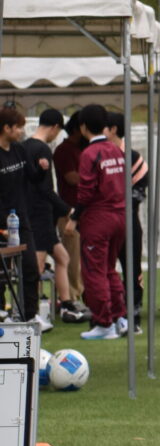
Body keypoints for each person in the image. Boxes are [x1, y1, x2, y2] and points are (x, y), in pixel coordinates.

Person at [74, 104, 128, 341]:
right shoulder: (117, 149)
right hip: (120, 216)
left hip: (98, 219)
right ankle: (120, 318)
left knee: (94, 272)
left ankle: (104, 323)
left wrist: (74, 218)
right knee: (109, 270)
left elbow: (85, 191)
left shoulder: (89, 154)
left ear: (83, 127)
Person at [21, 109, 76, 328]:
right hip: (39, 214)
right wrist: (66, 209)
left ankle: (67, 306)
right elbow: (45, 189)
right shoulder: (42, 148)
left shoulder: (23, 147)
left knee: (62, 258)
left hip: (32, 212)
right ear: (54, 127)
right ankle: (32, 314)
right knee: (37, 266)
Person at [0, 105, 43, 326]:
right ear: (6, 128)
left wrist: (42, 169)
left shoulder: (19, 150)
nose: (21, 132)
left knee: (30, 268)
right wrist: (3, 226)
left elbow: (33, 178)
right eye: (18, 127)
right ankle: (2, 314)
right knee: (2, 274)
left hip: (21, 219)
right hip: (2, 222)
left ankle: (30, 314)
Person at [106, 113, 148, 328]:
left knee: (132, 272)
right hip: (103, 225)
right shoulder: (96, 156)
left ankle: (133, 319)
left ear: (113, 129)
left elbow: (139, 193)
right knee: (103, 271)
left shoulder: (133, 157)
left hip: (128, 224)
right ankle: (108, 318)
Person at [52, 110, 87, 313]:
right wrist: (94, 176)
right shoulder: (64, 150)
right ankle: (72, 296)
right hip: (68, 210)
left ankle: (82, 293)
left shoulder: (79, 150)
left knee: (82, 256)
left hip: (82, 210)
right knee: (72, 255)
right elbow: (71, 178)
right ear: (77, 128)